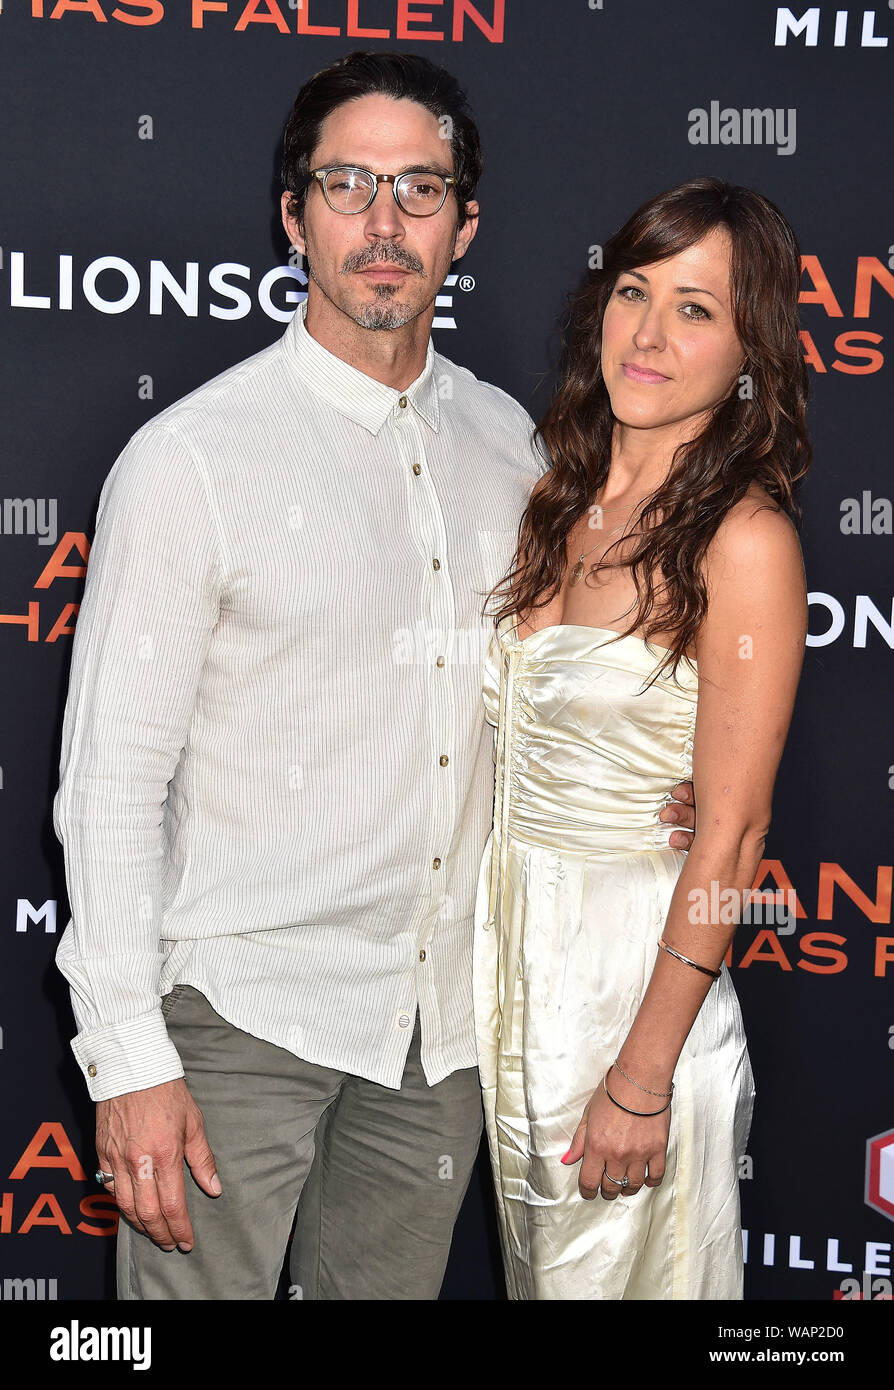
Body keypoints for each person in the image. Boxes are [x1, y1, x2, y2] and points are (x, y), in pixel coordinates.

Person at [52, 51, 696, 1301]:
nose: (385, 222)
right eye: (349, 185)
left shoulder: (515, 447)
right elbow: (110, 785)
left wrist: (651, 808)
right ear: (294, 217)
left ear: (466, 224)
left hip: (443, 1033)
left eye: (420, 188)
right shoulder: (190, 460)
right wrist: (128, 1054)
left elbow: (555, 691)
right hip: (240, 1019)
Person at [473, 177, 810, 1300]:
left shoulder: (744, 537)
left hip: (631, 991)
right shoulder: (553, 498)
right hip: (514, 964)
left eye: (698, 308)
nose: (650, 333)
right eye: (633, 291)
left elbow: (735, 836)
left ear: (750, 349)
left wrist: (645, 1073)